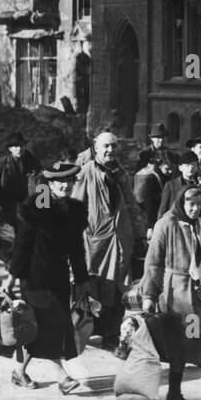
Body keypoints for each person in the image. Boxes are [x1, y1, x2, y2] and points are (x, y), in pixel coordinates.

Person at [5, 162, 91, 394]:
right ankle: (62, 378)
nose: (65, 185)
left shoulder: (74, 209)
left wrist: (81, 278)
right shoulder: (41, 201)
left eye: (69, 181)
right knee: (49, 324)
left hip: (59, 276)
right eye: (59, 181)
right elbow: (23, 240)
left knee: (47, 326)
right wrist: (13, 275)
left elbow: (76, 248)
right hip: (34, 276)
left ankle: (19, 372)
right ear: (50, 184)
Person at [142, 184, 201, 400]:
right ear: (181, 203)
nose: (195, 209)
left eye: (199, 204)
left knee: (192, 340)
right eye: (190, 204)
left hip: (197, 293)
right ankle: (173, 394)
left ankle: (177, 390)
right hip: (173, 292)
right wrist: (149, 295)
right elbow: (153, 263)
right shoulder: (166, 225)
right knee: (177, 344)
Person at [71, 130, 146, 344]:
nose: (110, 150)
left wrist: (140, 235)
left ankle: (111, 334)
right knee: (94, 287)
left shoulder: (121, 173)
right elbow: (75, 207)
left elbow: (131, 205)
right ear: (96, 148)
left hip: (120, 240)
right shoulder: (86, 172)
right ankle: (89, 330)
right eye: (105, 146)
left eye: (113, 146)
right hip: (95, 242)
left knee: (117, 288)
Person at [0, 132, 41, 229]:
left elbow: (41, 185)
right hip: (8, 205)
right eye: (16, 146)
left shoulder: (33, 162)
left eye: (21, 145)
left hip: (28, 204)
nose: (19, 149)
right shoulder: (2, 163)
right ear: (10, 148)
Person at [132, 149, 165, 239]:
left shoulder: (139, 174)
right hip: (150, 216)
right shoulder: (150, 176)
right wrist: (150, 225)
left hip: (141, 214)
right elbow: (149, 201)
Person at [158, 153, 200, 220]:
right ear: (180, 168)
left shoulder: (199, 185)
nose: (190, 168)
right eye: (187, 165)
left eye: (194, 165)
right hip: (175, 222)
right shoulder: (171, 185)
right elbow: (163, 210)